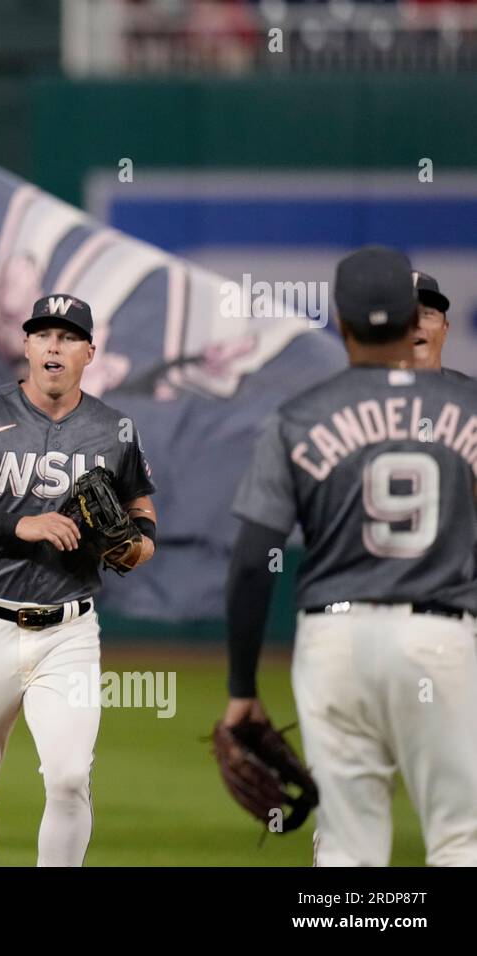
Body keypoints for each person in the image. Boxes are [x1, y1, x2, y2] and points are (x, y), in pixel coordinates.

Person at [223, 245, 477, 866]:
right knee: (460, 839)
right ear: (411, 320)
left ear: (339, 321)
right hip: (440, 637)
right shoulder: (468, 409)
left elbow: (255, 559)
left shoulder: (300, 417)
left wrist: (241, 687)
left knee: (347, 844)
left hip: (334, 643)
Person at [0, 294, 157, 867]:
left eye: (68, 336)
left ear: (89, 352)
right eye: (43, 334)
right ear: (26, 346)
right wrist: (19, 524)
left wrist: (137, 546)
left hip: (69, 631)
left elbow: (141, 509)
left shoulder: (114, 428)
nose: (54, 345)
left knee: (69, 777)